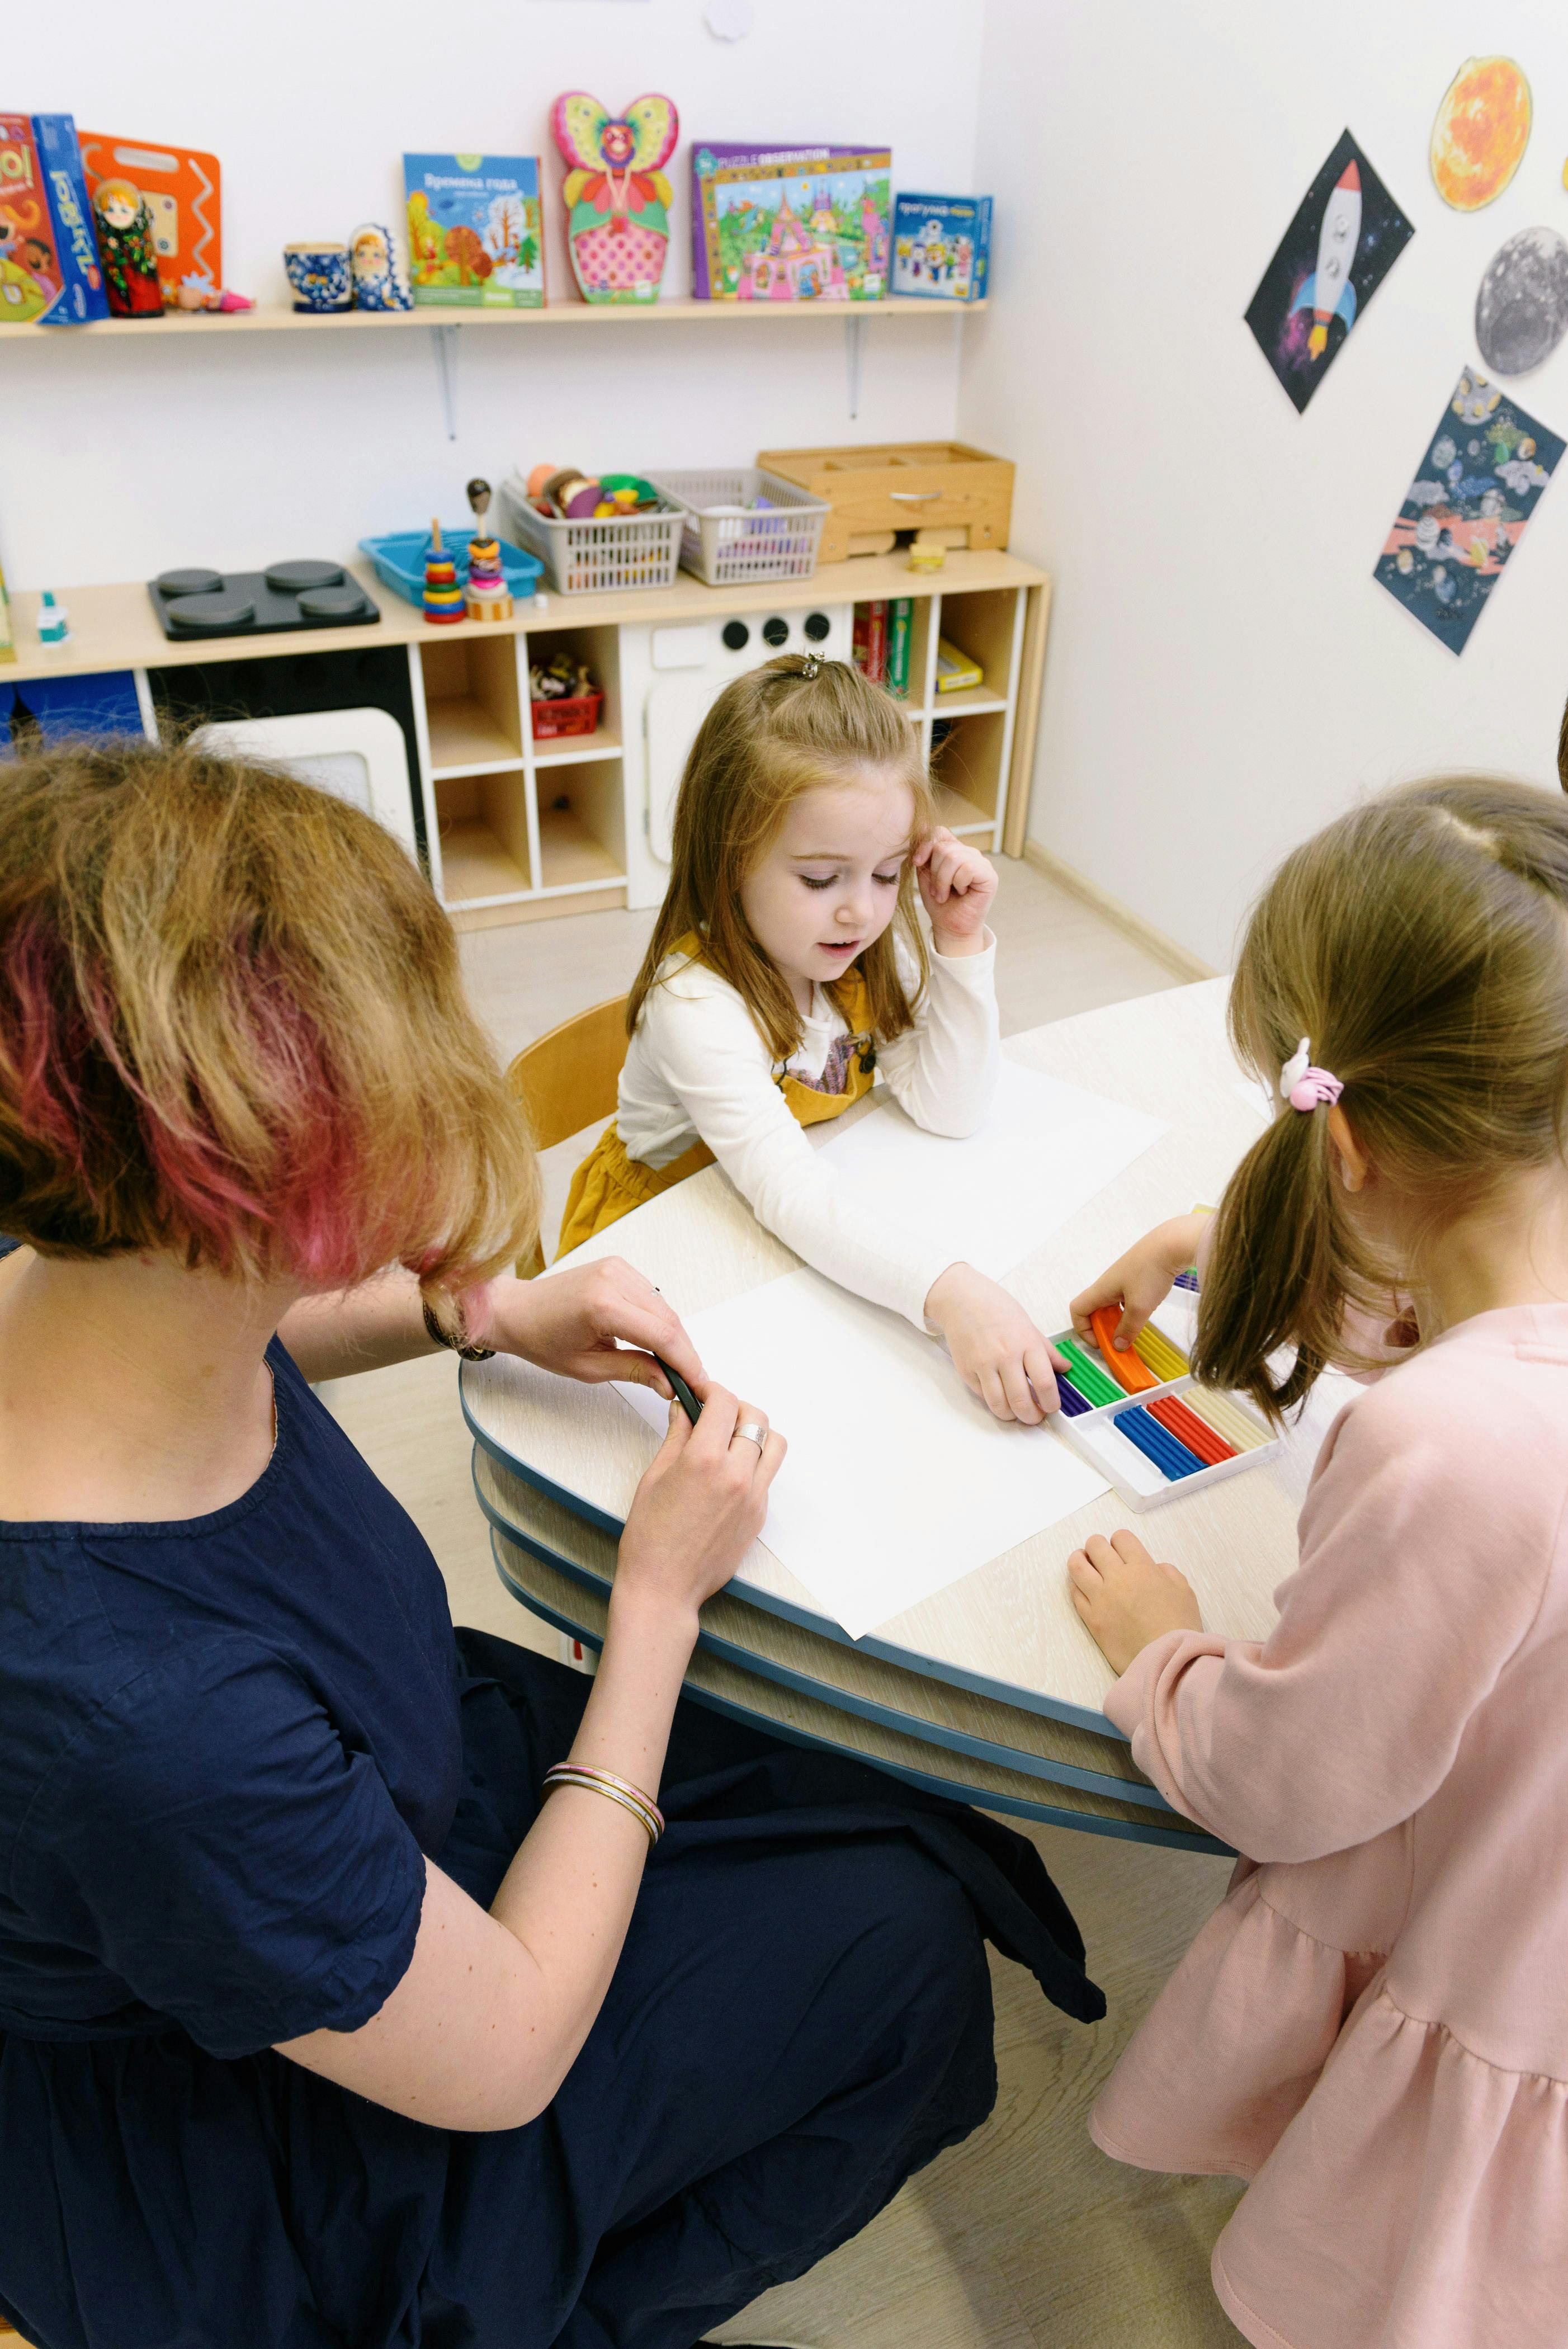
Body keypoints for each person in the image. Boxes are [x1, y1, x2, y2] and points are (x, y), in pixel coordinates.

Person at [0, 737, 1104, 2349]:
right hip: (252, 2135)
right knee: (901, 1953)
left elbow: (243, 1331)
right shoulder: (147, 1724)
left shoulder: (87, 1293)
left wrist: (480, 1309)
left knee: (852, 1778)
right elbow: (503, 2051)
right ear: (274, 1189)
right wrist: (653, 1602)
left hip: (353, 1790)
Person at [1062, 775, 1568, 2349]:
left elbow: (1290, 1784)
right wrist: (1237, 1242)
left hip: (1499, 1980)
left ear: (1333, 1137)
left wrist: (1167, 1647)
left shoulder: (1445, 1448)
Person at [560, 653, 1066, 1424]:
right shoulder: (695, 1002)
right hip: (667, 1232)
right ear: (730, 861)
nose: (861, 913)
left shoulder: (866, 949)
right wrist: (951, 1293)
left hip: (771, 1215)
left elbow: (951, 1107)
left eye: (889, 873)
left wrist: (959, 940)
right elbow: (789, 1196)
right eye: (823, 879)